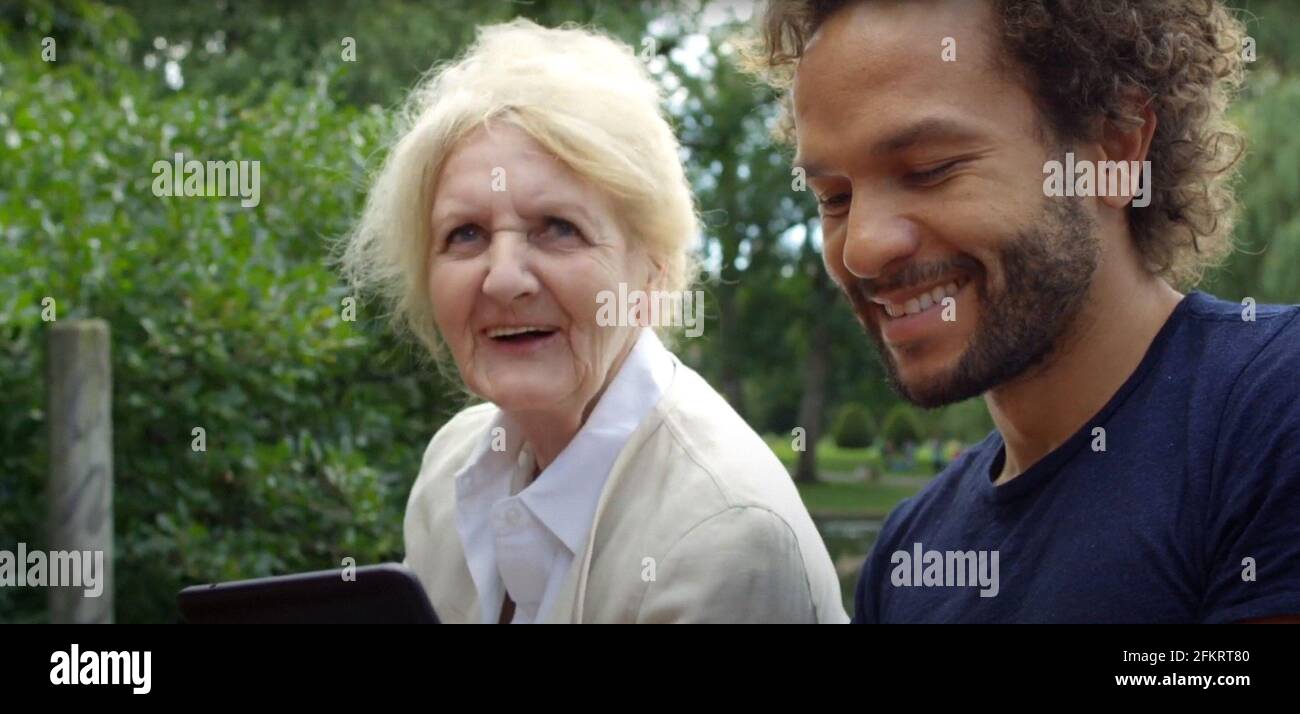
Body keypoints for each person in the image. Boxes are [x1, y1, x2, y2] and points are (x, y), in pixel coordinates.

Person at [746, 0, 1300, 622]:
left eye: (930, 170)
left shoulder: (1273, 412)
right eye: (835, 198)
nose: (864, 248)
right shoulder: (909, 553)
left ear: (1113, 149)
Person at [342, 19, 846, 623]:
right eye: (465, 233)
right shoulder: (452, 468)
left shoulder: (725, 536)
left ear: (653, 270)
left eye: (558, 228)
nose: (503, 278)